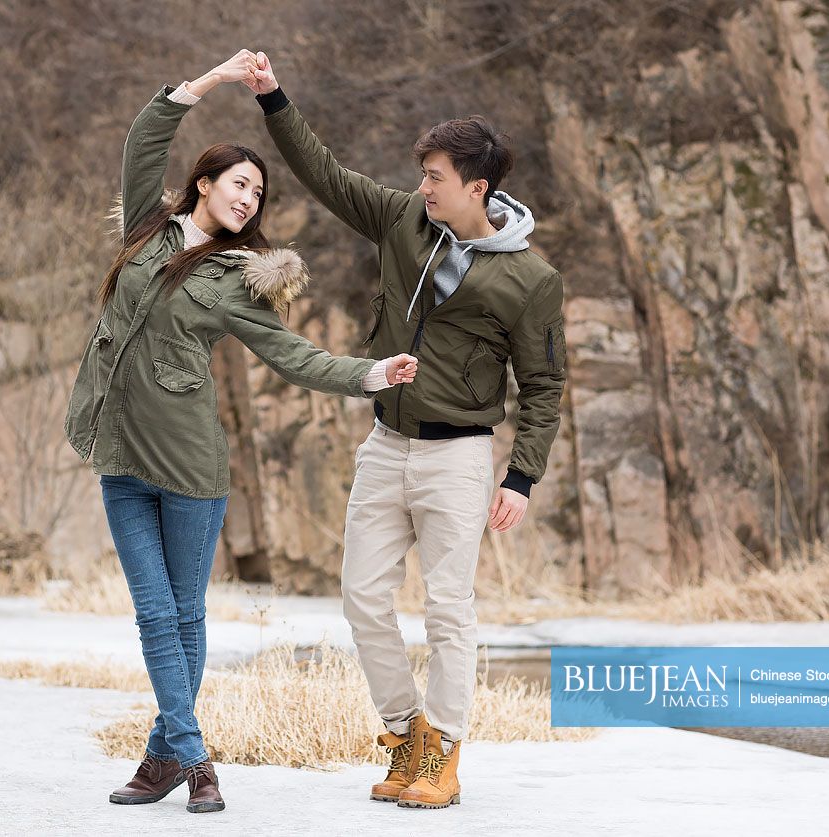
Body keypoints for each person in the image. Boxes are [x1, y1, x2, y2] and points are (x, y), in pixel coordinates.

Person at [63, 50, 419, 815]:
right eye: (239, 184)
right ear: (204, 183)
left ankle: (168, 757)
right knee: (157, 615)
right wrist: (214, 80)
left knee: (184, 616)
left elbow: (296, 355)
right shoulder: (146, 228)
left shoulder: (238, 278)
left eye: (259, 193)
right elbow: (141, 143)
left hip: (190, 467)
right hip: (119, 451)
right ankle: (194, 762)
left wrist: (370, 372)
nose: (249, 200)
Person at [244, 53, 567, 809]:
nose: (422, 186)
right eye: (420, 174)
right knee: (361, 598)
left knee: (449, 610)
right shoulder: (400, 220)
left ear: (476, 188)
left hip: (459, 455)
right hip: (385, 445)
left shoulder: (531, 281)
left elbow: (544, 385)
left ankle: (445, 755)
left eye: (434, 177)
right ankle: (404, 734)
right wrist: (273, 99)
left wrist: (520, 476)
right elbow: (324, 175)